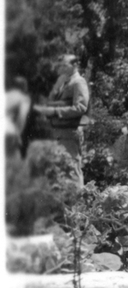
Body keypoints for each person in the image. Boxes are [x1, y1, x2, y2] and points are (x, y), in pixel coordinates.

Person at [32, 55, 90, 188]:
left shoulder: (78, 82)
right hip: (60, 132)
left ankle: (80, 206)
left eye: (65, 65)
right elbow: (51, 100)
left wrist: (55, 111)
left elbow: (80, 107)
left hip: (70, 132)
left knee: (73, 169)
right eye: (61, 66)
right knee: (62, 171)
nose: (62, 68)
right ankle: (69, 206)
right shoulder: (65, 81)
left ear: (74, 65)